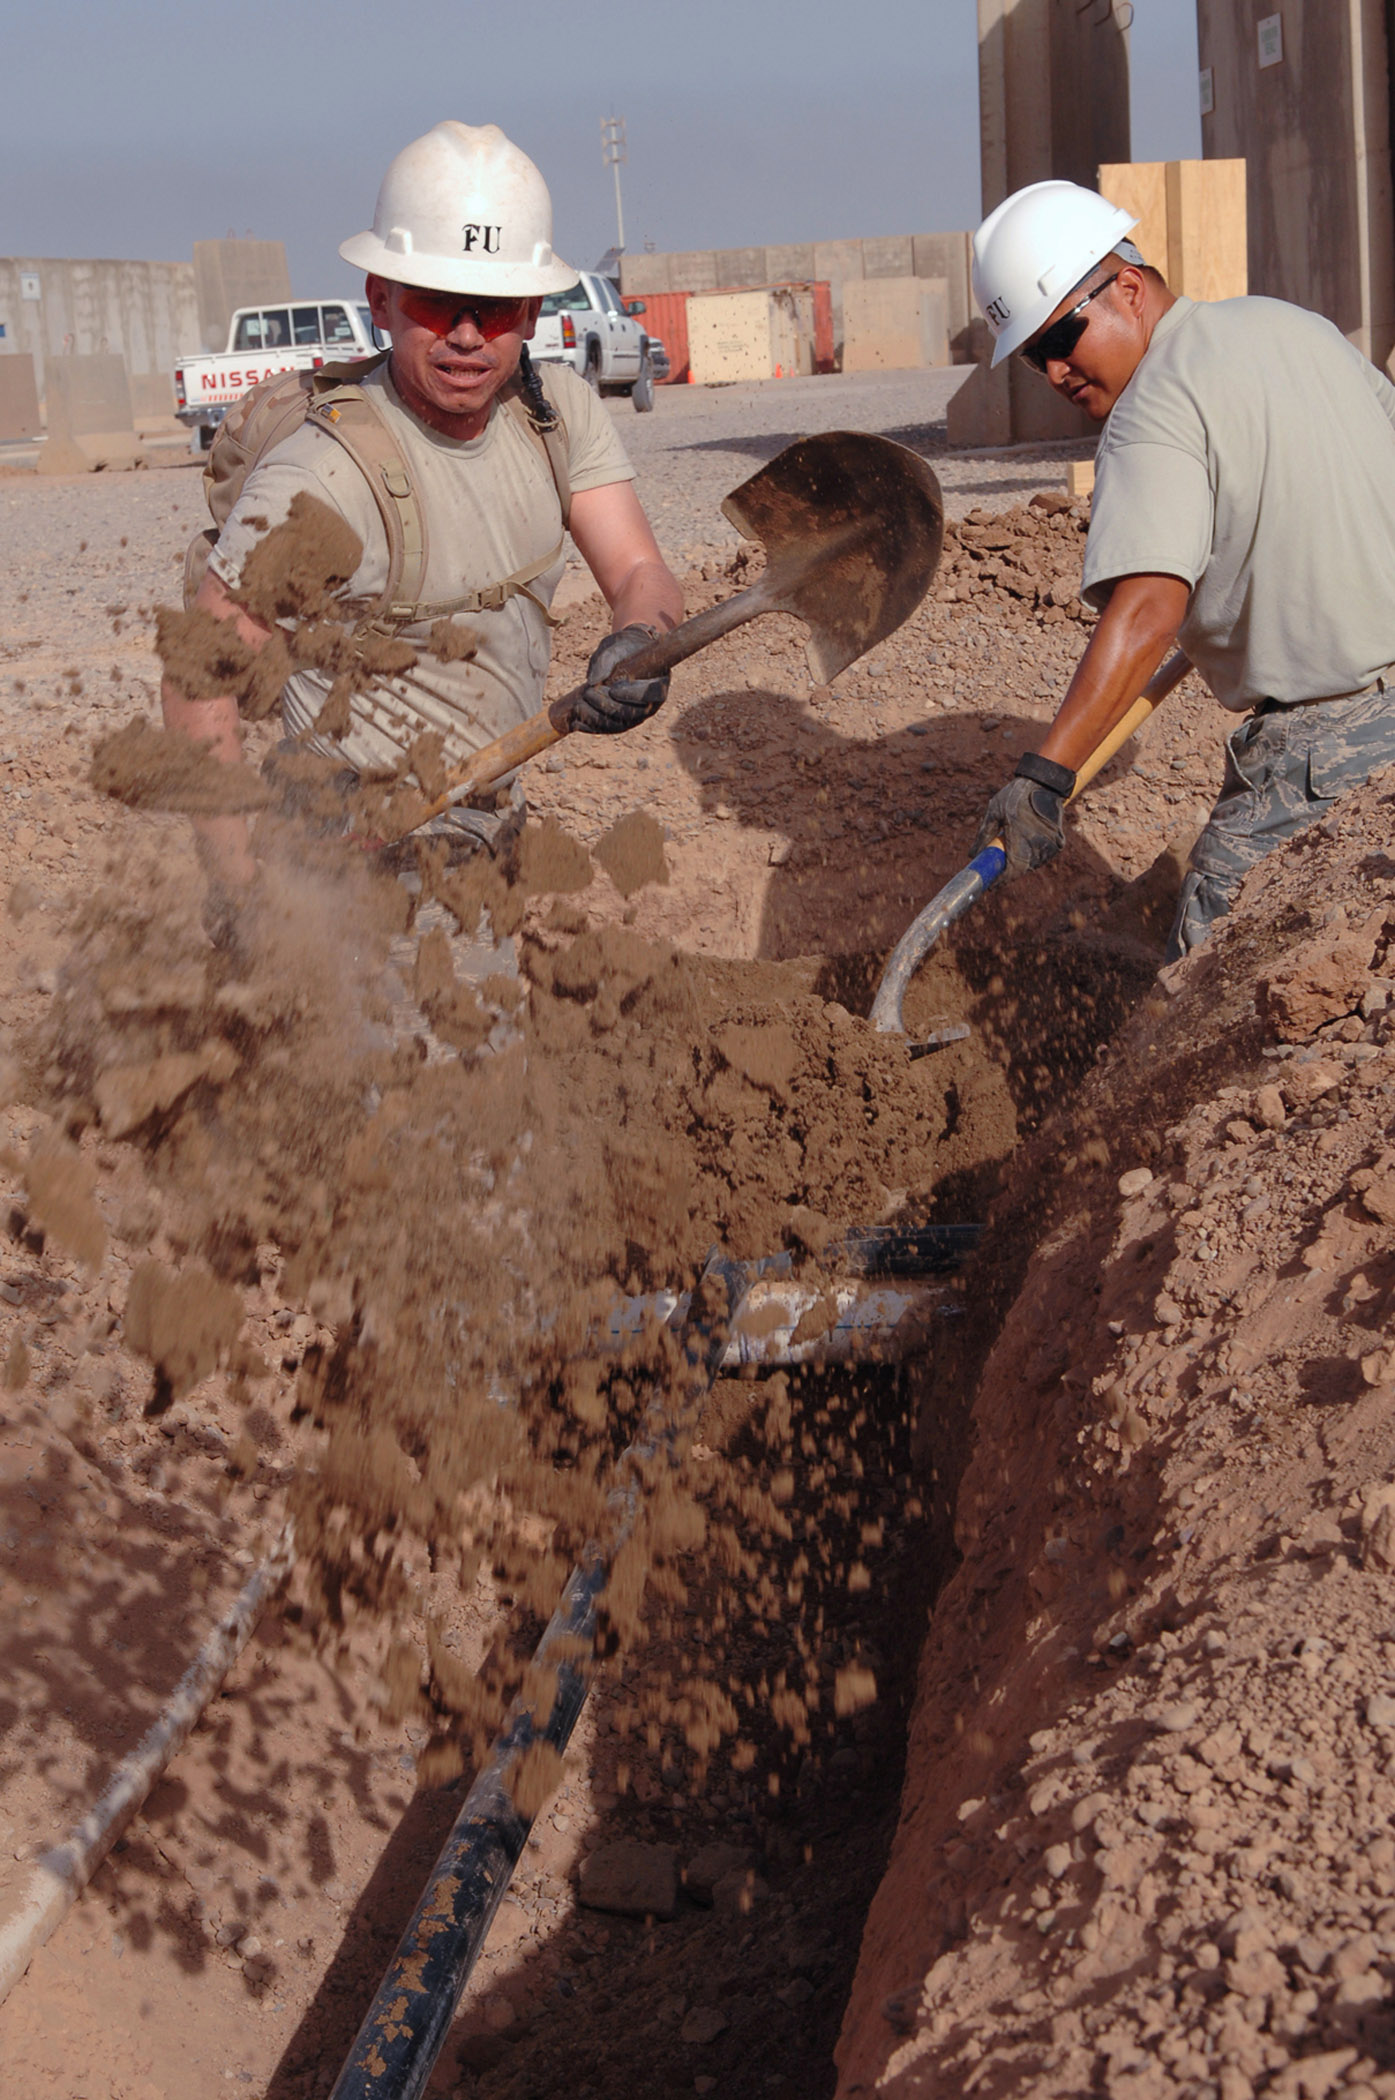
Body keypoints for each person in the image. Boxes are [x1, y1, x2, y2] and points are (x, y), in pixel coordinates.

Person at [162, 120, 683, 930]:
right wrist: (238, 890)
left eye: (496, 307)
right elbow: (200, 677)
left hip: (487, 815)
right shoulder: (324, 474)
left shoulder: (558, 417)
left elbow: (636, 569)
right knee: (449, 1049)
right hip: (358, 849)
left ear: (534, 309)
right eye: (440, 303)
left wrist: (641, 637)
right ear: (382, 300)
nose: (469, 334)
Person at [967, 180, 1395, 962]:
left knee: (1207, 978)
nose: (1055, 371)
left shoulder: (1150, 406)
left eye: (1062, 336)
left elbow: (1147, 608)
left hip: (1326, 749)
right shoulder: (1290, 325)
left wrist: (1044, 773)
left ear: (1127, 287)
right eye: (1033, 357)